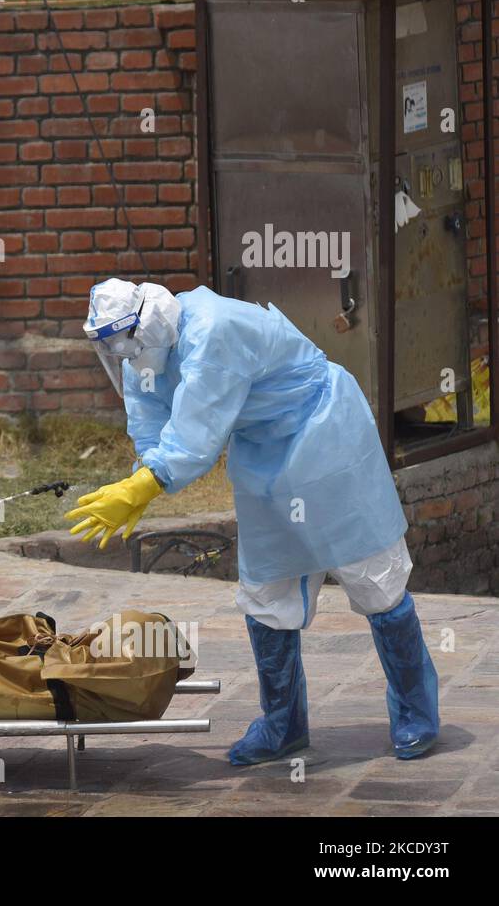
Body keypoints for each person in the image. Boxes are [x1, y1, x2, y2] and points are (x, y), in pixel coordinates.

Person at [65, 278, 439, 764]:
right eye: (109, 343)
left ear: (147, 320)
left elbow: (196, 432)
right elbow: (152, 423)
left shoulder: (214, 329)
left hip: (325, 435)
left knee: (374, 576)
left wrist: (148, 484)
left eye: (121, 339)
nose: (120, 352)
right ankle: (282, 725)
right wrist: (143, 475)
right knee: (267, 589)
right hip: (264, 456)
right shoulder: (142, 353)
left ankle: (416, 713)